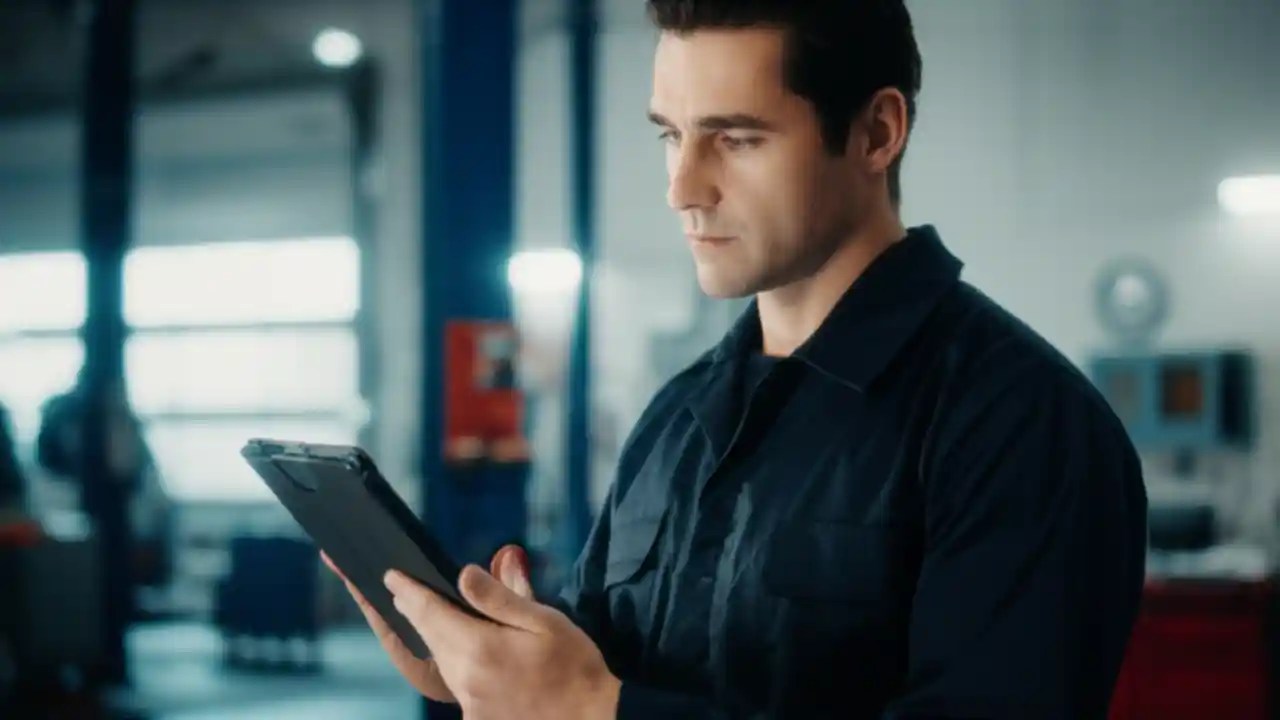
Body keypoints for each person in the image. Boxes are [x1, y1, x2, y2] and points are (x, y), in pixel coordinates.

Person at [326, 1, 1148, 717]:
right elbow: (599, 671)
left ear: (876, 132)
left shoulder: (1020, 423)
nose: (683, 186)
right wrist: (487, 667)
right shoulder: (678, 418)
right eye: (671, 136)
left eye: (737, 138)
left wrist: (595, 710)